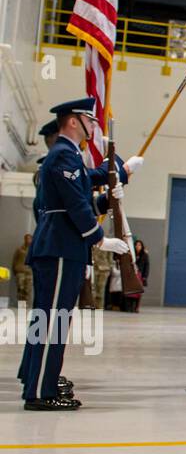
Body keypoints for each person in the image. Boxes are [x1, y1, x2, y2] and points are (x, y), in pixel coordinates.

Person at [18, 97, 134, 410]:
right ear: (74, 121)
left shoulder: (66, 156)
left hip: (62, 246)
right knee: (52, 321)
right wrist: (100, 239)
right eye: (90, 120)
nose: (94, 126)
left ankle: (37, 378)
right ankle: (41, 392)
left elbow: (86, 187)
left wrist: (118, 174)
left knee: (49, 319)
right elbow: (75, 204)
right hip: (60, 248)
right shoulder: (62, 156)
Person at [10, 235, 33, 305]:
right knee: (20, 287)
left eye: (30, 239)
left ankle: (25, 303)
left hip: (29, 272)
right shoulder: (19, 249)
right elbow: (14, 261)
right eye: (27, 239)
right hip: (20, 272)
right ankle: (21, 303)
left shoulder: (32, 250)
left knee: (28, 288)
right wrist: (15, 270)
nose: (28, 240)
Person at [129, 239, 149, 312]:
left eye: (139, 245)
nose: (138, 246)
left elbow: (147, 267)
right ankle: (130, 306)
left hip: (140, 275)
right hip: (132, 275)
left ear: (142, 246)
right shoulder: (132, 254)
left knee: (139, 292)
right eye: (136, 245)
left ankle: (137, 307)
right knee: (132, 292)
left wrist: (145, 277)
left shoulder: (145, 255)